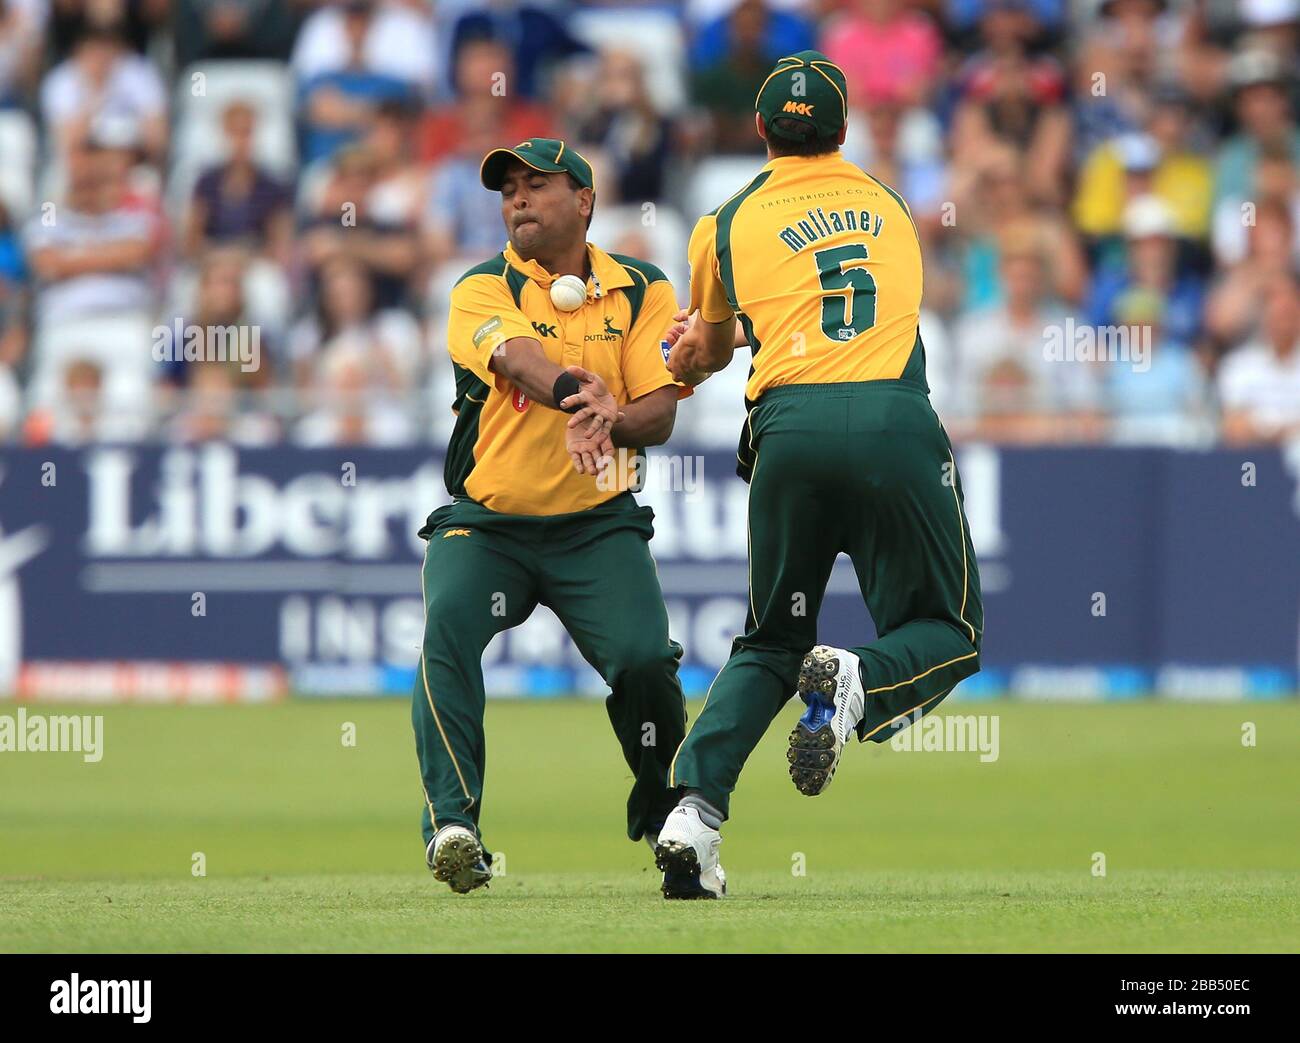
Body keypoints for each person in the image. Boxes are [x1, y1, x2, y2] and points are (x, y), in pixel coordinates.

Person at [656, 52, 983, 894]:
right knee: (949, 630)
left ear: (759, 130)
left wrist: (682, 358)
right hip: (891, 421)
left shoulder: (723, 221)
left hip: (790, 430)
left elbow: (711, 346)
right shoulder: (892, 204)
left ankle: (693, 815)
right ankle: (861, 678)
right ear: (844, 131)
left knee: (771, 638)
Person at [414, 138, 708, 898]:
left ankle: (670, 819)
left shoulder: (643, 288)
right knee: (447, 627)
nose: (516, 198)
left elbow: (660, 414)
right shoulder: (481, 286)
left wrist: (617, 417)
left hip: (597, 525)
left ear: (583, 199)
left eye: (535, 184)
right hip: (489, 524)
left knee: (645, 661)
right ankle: (455, 826)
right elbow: (512, 357)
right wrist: (584, 396)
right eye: (507, 188)